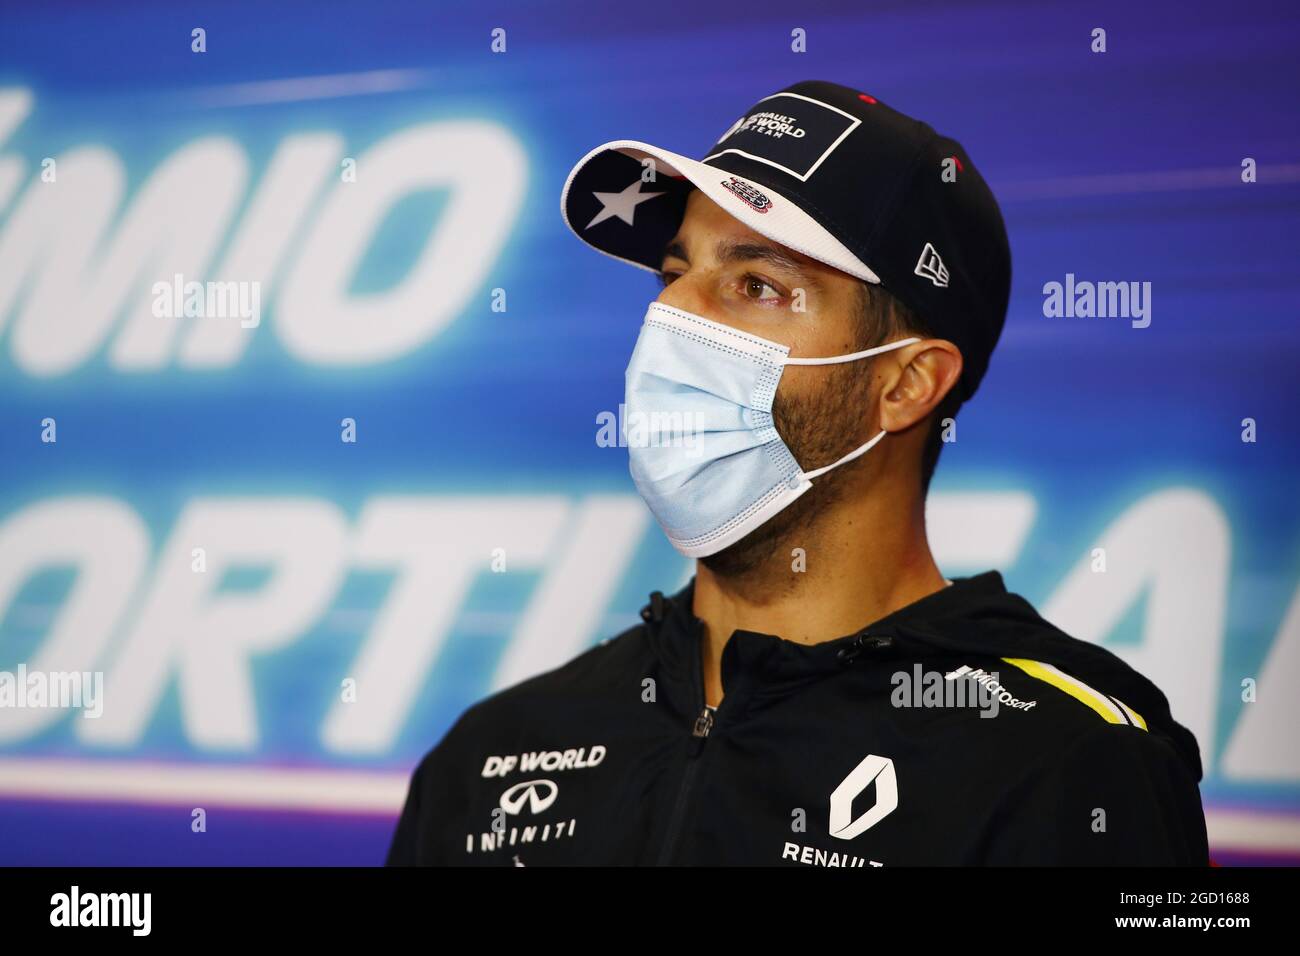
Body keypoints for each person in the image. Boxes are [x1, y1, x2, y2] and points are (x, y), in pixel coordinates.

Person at [386, 80, 1209, 866]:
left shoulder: (1067, 763)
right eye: (675, 273)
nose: (671, 315)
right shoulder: (491, 756)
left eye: (758, 285)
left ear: (907, 383)